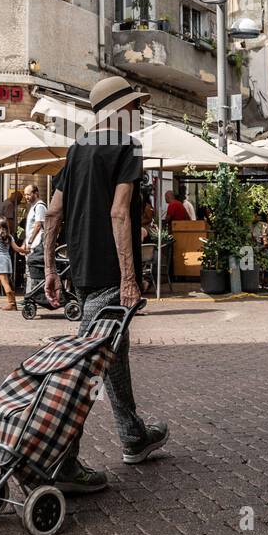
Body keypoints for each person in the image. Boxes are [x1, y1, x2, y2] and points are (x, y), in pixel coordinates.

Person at [44, 75, 169, 494]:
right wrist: (130, 279)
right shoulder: (125, 147)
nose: (138, 115)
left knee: (113, 355)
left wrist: (47, 269)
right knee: (84, 370)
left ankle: (133, 433)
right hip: (110, 277)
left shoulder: (76, 149)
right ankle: (63, 460)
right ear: (118, 110)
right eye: (134, 108)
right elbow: (119, 212)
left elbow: (53, 214)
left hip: (80, 275)